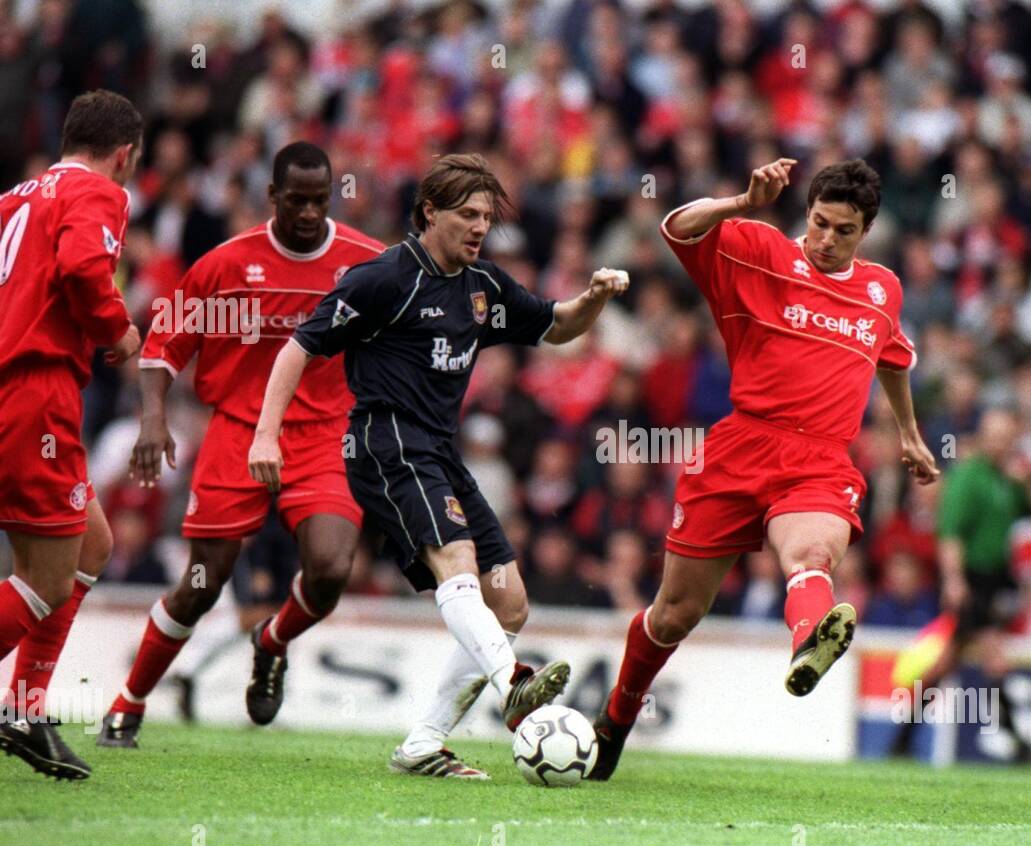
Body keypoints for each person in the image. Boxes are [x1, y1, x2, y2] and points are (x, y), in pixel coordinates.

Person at [248, 153, 630, 778]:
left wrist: (593, 298)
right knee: (457, 563)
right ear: (430, 212)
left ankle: (424, 743)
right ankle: (514, 685)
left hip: (439, 452)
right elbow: (299, 347)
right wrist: (268, 435)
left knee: (509, 605)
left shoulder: (484, 288)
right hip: (385, 441)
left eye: (486, 216)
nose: (480, 228)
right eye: (468, 214)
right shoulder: (384, 279)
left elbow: (557, 327)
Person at [589, 157, 941, 781]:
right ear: (806, 214)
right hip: (740, 448)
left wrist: (909, 434)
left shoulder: (883, 289)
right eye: (820, 223)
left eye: (844, 230)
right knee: (674, 613)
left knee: (811, 554)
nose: (828, 240)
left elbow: (893, 357)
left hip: (820, 458)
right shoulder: (759, 249)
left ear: (868, 232)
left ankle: (810, 640)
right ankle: (616, 719)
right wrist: (736, 203)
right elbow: (677, 226)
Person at [97, 142, 386, 747]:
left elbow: (411, 332)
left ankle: (270, 642)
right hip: (236, 431)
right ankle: (130, 700)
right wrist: (153, 420)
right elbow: (163, 346)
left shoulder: (366, 263)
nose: (309, 213)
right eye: (297, 201)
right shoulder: (225, 265)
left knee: (332, 568)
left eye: (319, 200)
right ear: (272, 198)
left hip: (326, 434)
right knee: (202, 584)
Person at [0, 90, 143, 779]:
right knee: (46, 578)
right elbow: (86, 269)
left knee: (93, 542)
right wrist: (118, 330)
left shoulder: (17, 196)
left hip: (15, 386)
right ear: (125, 155)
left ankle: (24, 709)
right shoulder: (98, 194)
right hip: (35, 391)